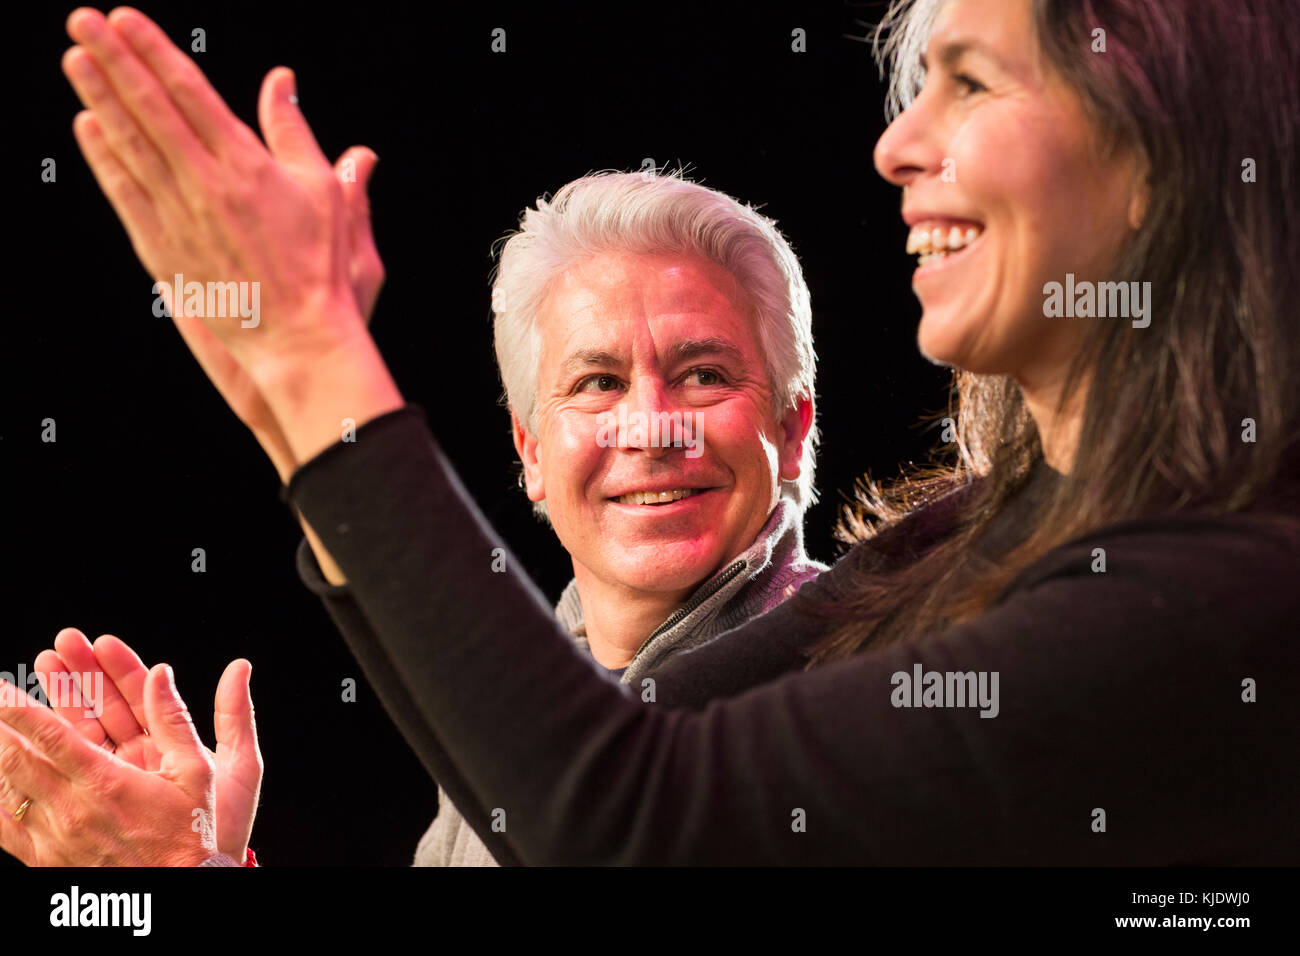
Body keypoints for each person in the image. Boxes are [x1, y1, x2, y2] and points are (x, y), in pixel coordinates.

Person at [3, 0, 1297, 865]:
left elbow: (628, 820)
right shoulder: (974, 535)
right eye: (594, 385)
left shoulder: (1223, 591)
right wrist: (289, 413)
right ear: (520, 444)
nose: (899, 143)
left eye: (969, 81)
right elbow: (562, 781)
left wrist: (311, 361)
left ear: (1156, 155)